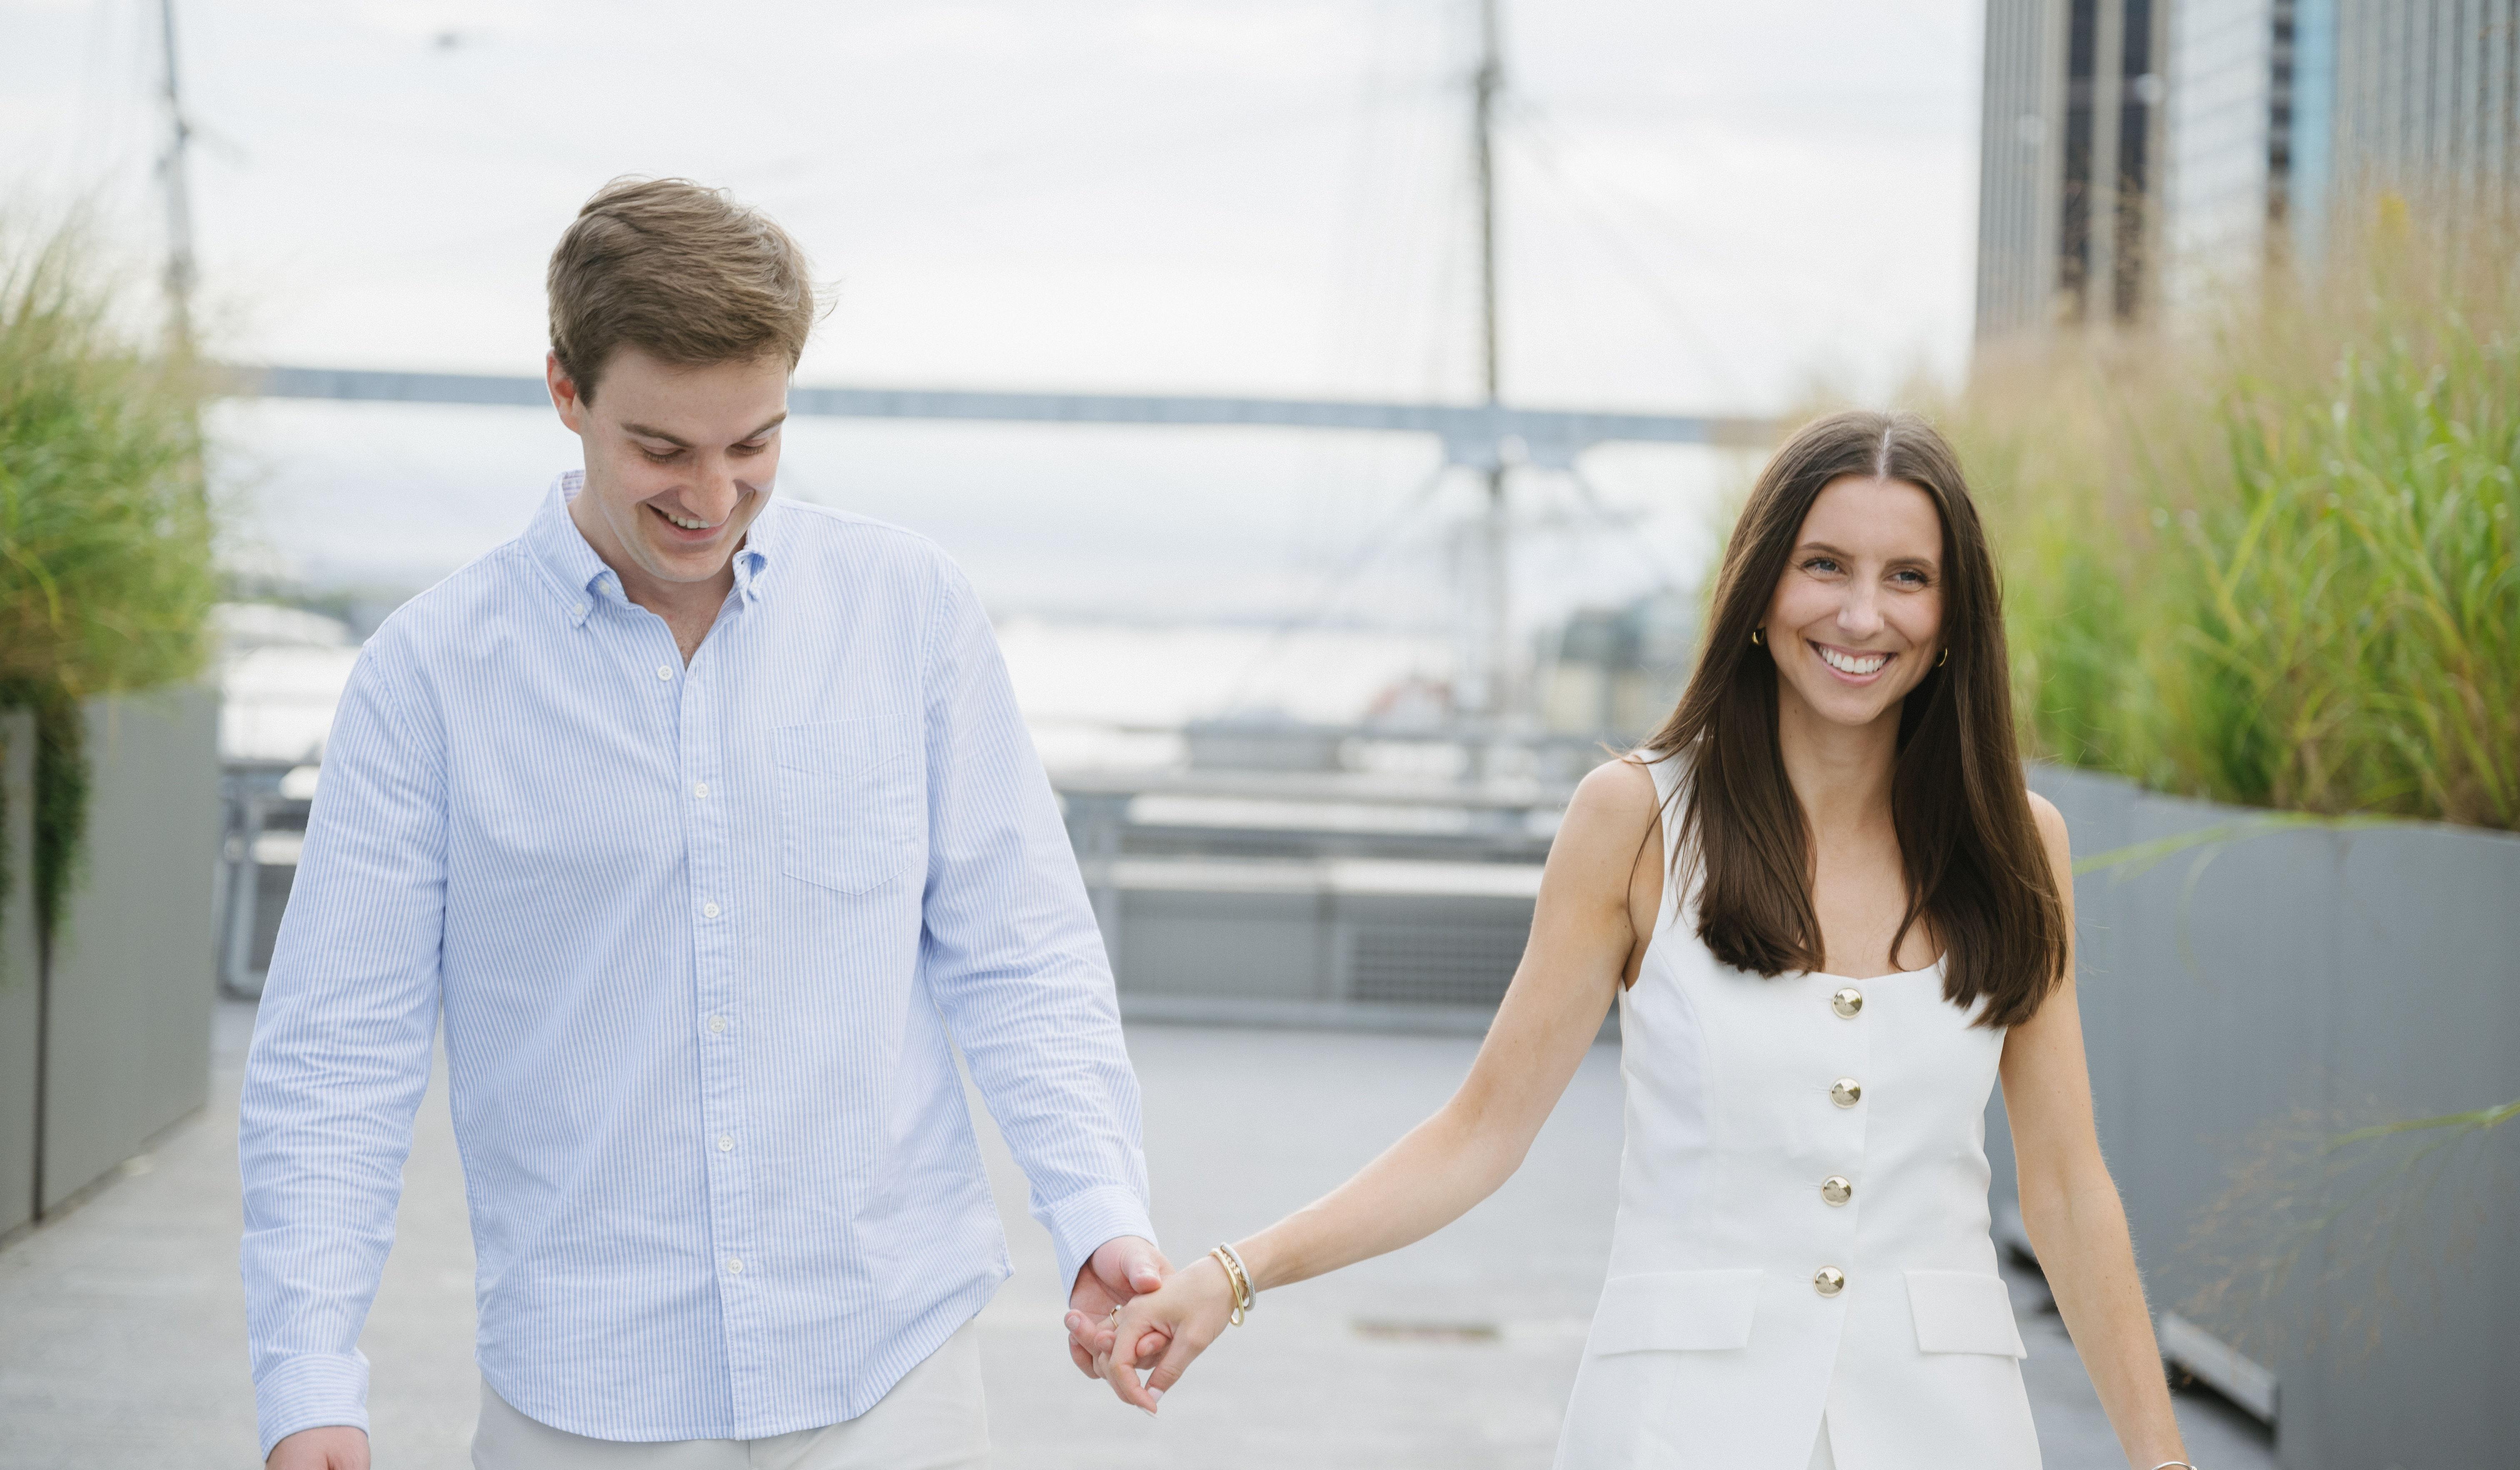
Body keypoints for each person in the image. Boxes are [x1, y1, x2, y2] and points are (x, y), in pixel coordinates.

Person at [240, 177, 1164, 1470]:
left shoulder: (910, 613)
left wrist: (1098, 1207)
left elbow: (1022, 951)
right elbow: (339, 1052)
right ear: (565, 391)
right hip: (585, 1390)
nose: (715, 494)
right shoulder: (428, 676)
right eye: (663, 450)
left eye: (755, 445)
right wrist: (307, 1379)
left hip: (892, 1364)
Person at [1080, 411, 2200, 1468]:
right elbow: (1480, 1134)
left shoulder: (2020, 845)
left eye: (1909, 577)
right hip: (1679, 1424)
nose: (1864, 616)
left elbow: (2067, 1190)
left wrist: (2163, 1460)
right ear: (1758, 587)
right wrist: (1236, 1273)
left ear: (1955, 619)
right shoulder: (1635, 822)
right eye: (1825, 566)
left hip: (1948, 1429)